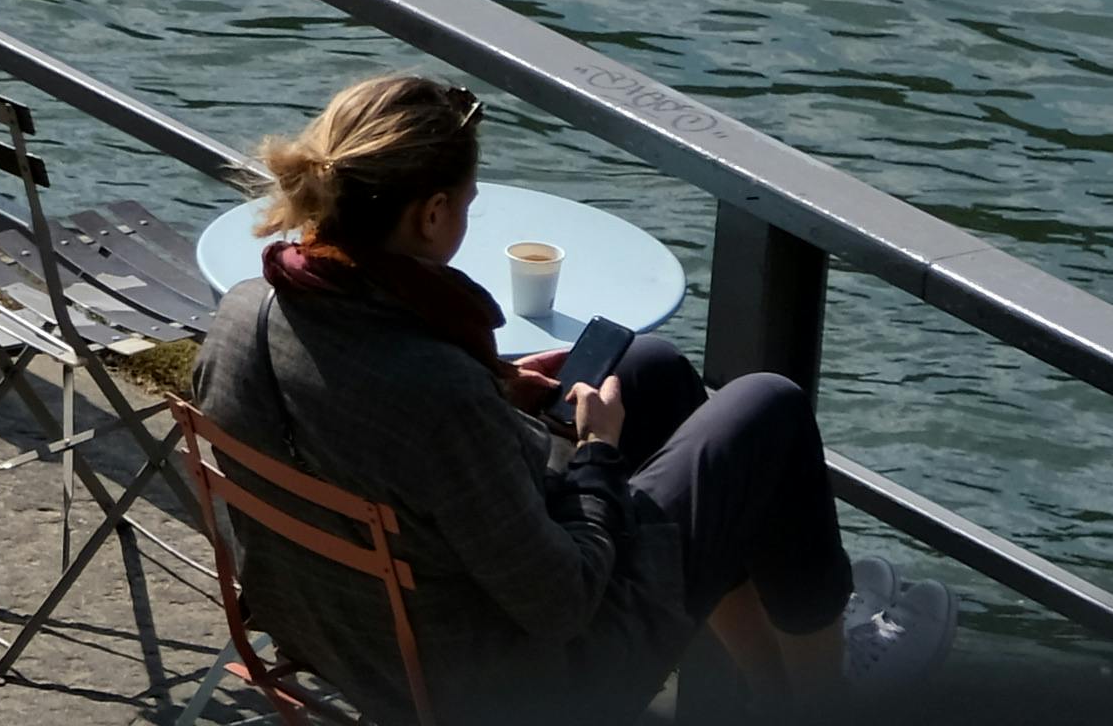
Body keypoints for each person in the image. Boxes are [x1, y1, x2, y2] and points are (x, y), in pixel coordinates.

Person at [192, 68, 913, 708]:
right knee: (769, 411)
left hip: (345, 628)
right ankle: (829, 696)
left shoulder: (243, 317)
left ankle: (769, 694)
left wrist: (494, 396)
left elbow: (360, 428)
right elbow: (563, 602)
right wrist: (597, 454)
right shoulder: (436, 394)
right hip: (500, 683)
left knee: (651, 370)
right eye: (466, 203)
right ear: (432, 213)